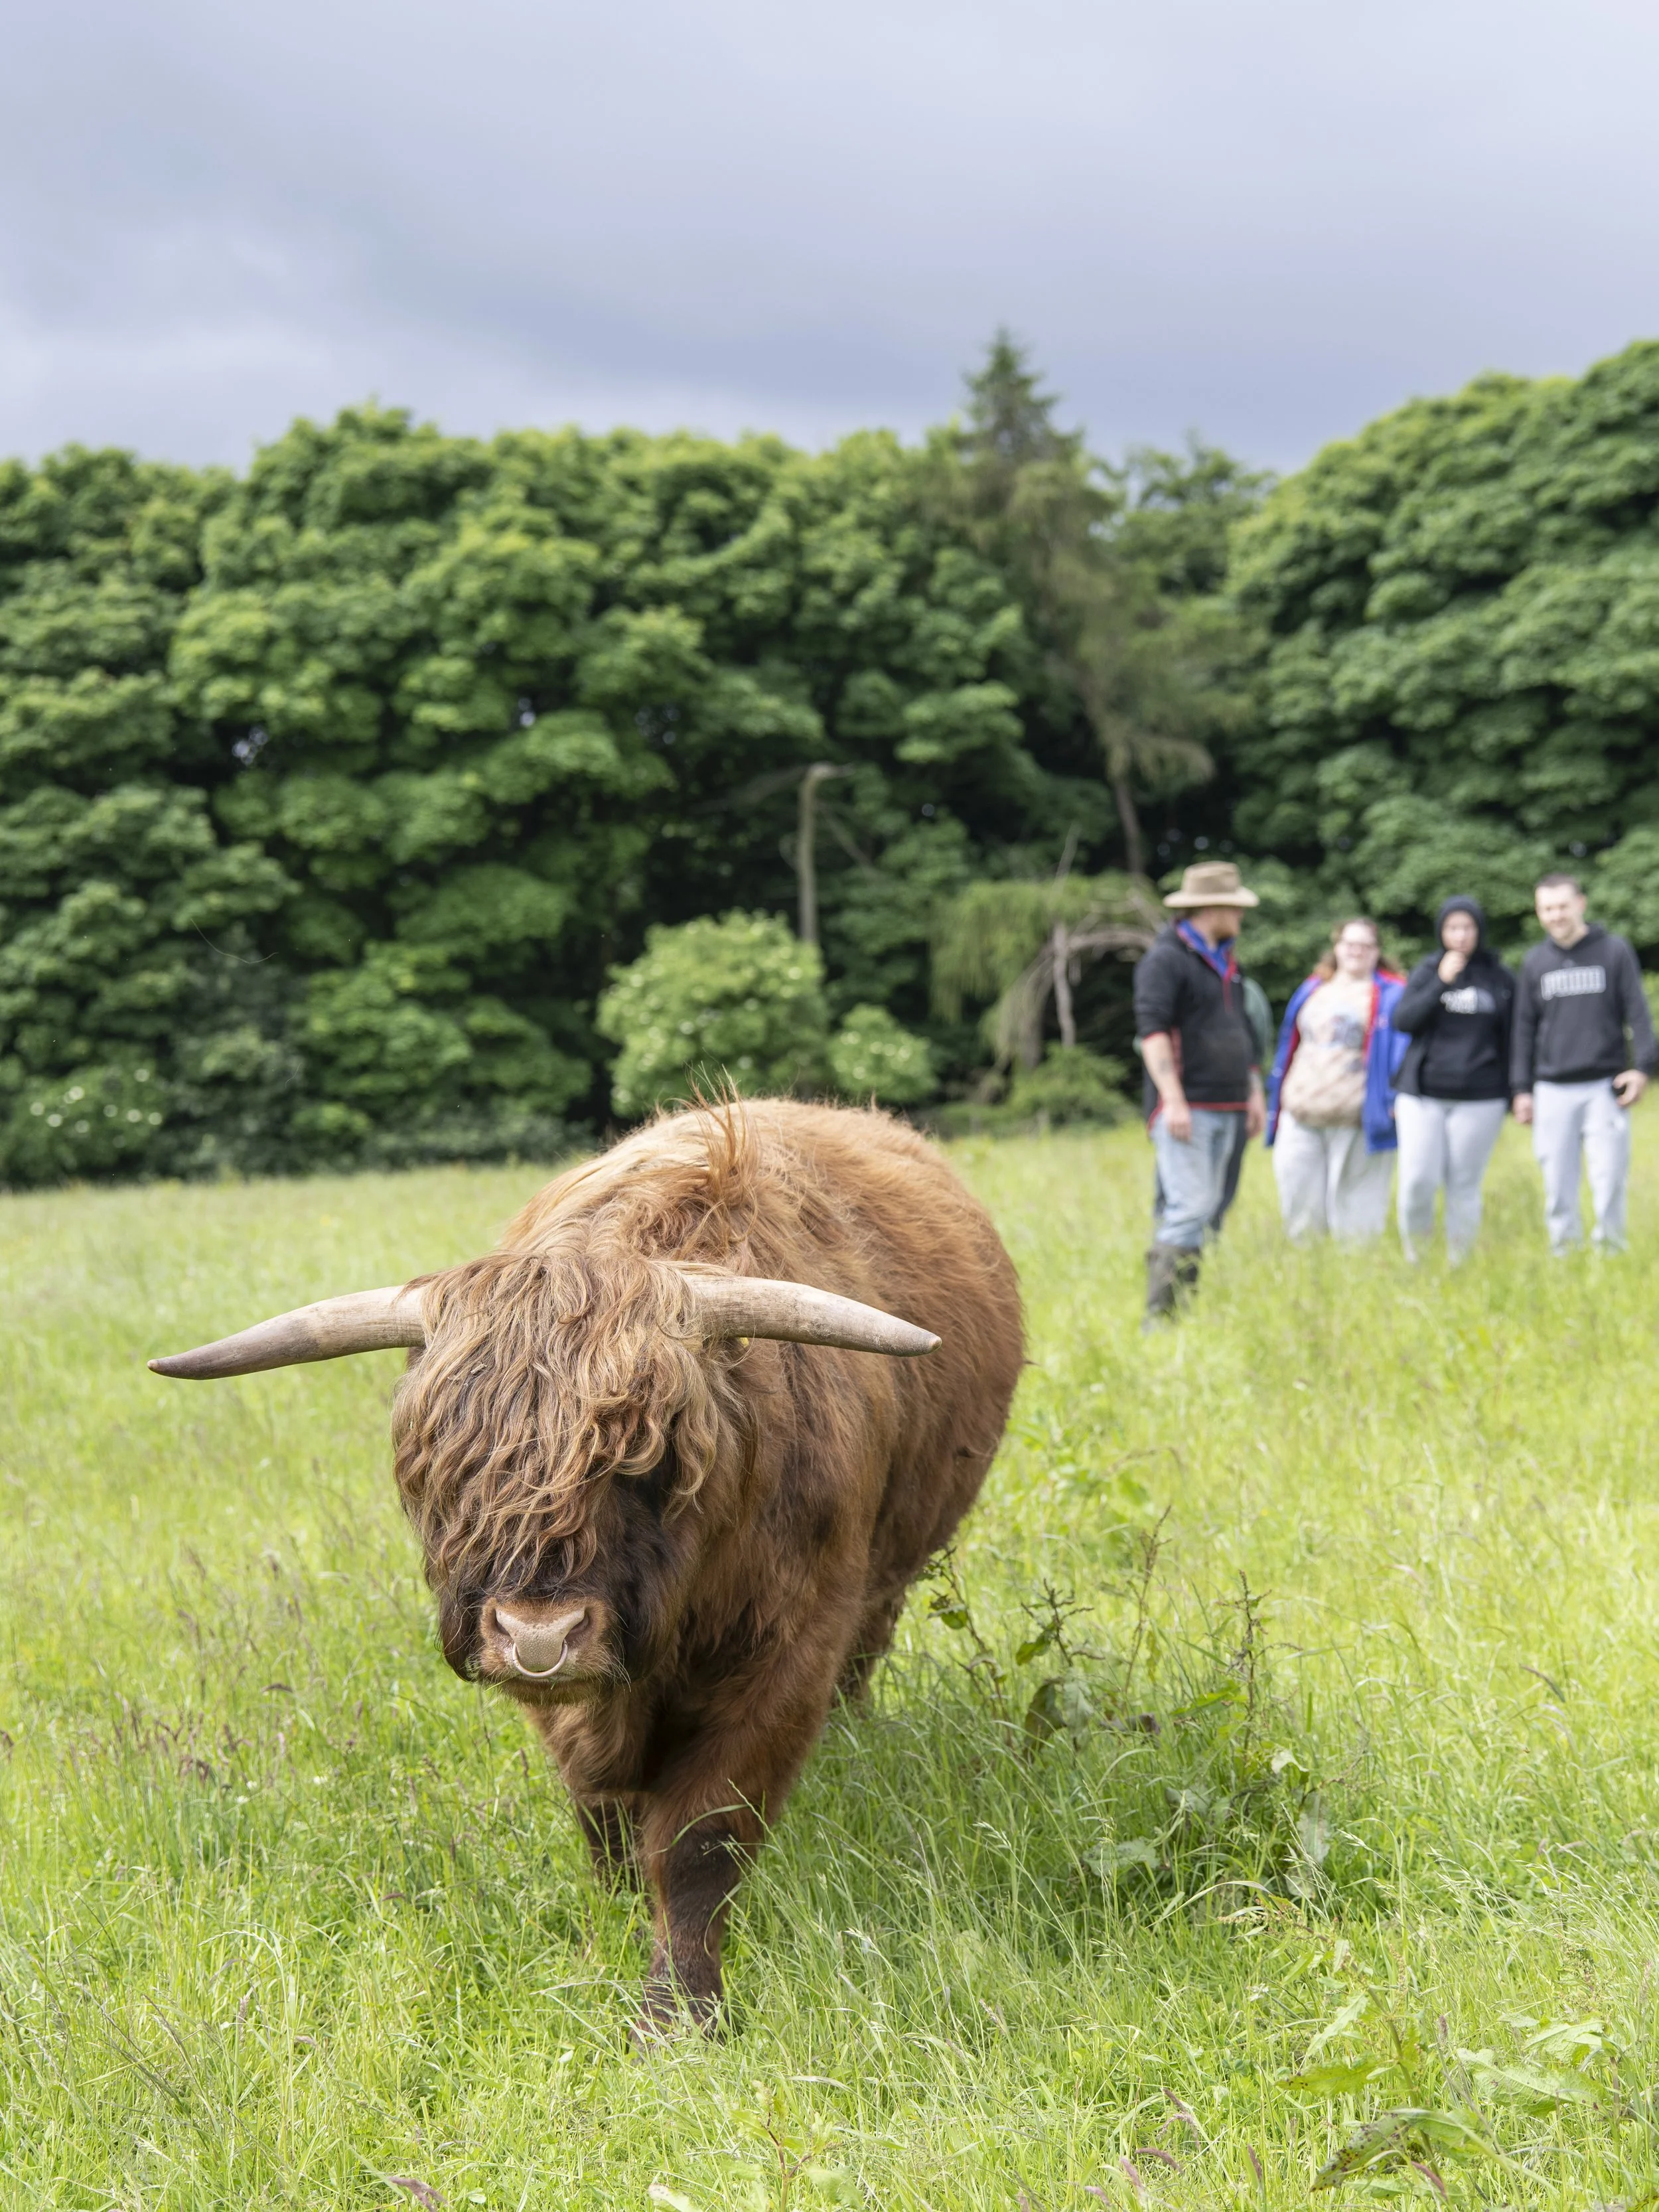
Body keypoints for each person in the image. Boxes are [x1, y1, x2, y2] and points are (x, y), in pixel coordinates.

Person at [1132, 860, 1267, 1325]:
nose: (1242, 916)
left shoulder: (1227, 961)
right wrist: (1172, 1098)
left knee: (1211, 1214)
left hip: (1230, 1105)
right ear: (1214, 907)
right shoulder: (1166, 959)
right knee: (1189, 1209)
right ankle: (1160, 1324)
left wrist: (1254, 1093)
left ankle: (1184, 1310)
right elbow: (1152, 1032)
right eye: (1236, 907)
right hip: (1189, 1108)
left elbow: (1244, 1033)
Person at [1511, 873, 1656, 1253]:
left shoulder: (1614, 951)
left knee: (1608, 1178)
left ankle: (1611, 1251)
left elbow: (1638, 1013)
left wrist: (1643, 1068)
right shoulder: (1535, 962)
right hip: (1552, 1088)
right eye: (1547, 908)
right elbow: (1523, 1029)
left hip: (1603, 1087)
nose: (1555, 915)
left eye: (1562, 905)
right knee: (1557, 1181)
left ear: (1580, 904)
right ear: (1539, 913)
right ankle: (1565, 1254)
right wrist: (1521, 1089)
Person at [1265, 918, 1407, 1242]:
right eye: (1349, 944)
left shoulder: (1392, 993)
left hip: (1356, 1114)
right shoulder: (1314, 988)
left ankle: (1353, 1275)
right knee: (1298, 1196)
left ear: (1377, 951)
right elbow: (1291, 1043)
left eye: (1365, 945)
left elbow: (1402, 1050)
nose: (1356, 951)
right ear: (1337, 947)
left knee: (1357, 1207)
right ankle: (1308, 1269)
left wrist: (1394, 1098)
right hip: (1301, 1110)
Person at [1390, 897, 1514, 1264]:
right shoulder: (1427, 971)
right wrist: (1441, 982)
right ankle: (1418, 1259)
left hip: (1481, 1098)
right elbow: (1404, 1021)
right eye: (1452, 928)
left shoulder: (1500, 977)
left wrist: (1516, 1090)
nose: (1460, 936)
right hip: (1423, 1095)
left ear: (1479, 931)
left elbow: (1513, 1037)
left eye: (1468, 928)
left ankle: (1458, 1264)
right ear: (1442, 932)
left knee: (1464, 1185)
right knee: (1417, 1181)